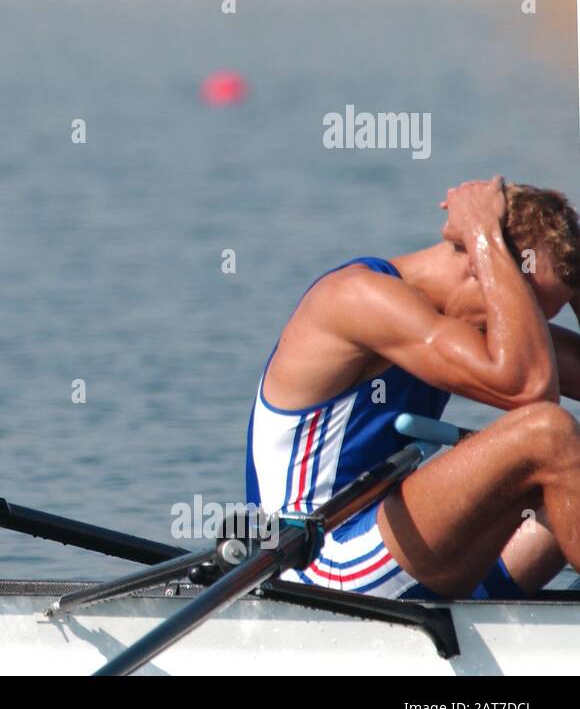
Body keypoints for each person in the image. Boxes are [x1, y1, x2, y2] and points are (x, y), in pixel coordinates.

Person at [247, 177, 580, 599]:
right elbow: (529, 390)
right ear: (476, 265)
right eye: (525, 305)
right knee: (549, 432)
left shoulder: (460, 320)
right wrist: (481, 231)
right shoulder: (355, 298)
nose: (521, 319)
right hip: (317, 562)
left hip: (397, 553)